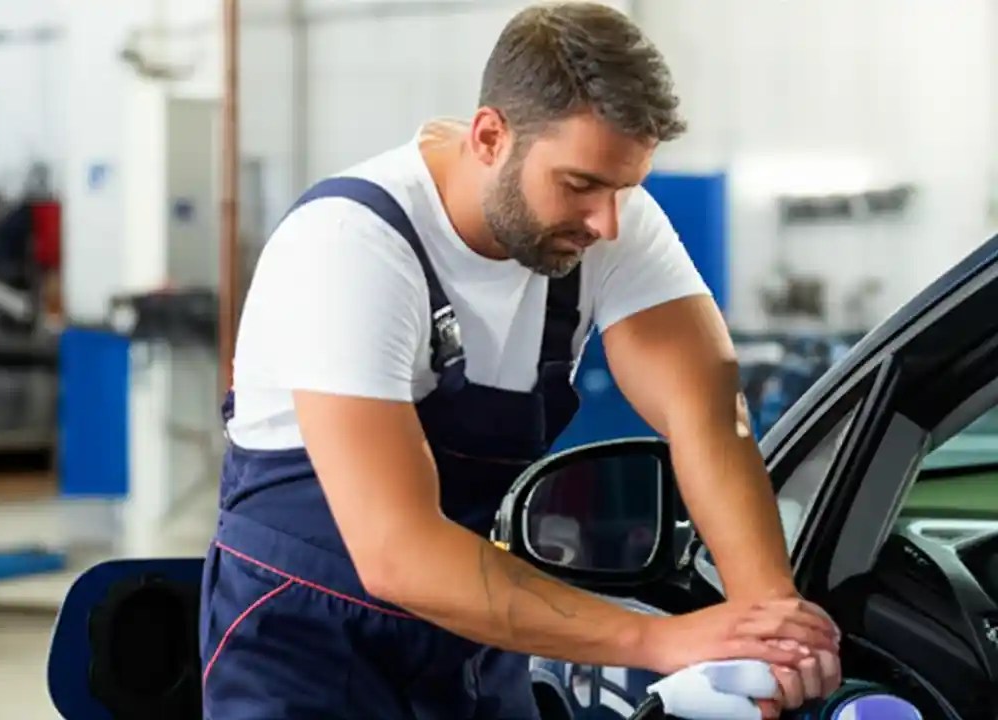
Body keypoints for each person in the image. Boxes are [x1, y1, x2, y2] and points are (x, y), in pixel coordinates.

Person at [199, 3, 842, 718]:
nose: (606, 223)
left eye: (624, 188)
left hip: (470, 636)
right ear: (489, 136)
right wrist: (663, 640)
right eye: (579, 185)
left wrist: (769, 628)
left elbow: (711, 417)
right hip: (304, 646)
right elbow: (396, 552)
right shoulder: (351, 244)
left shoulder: (605, 226)